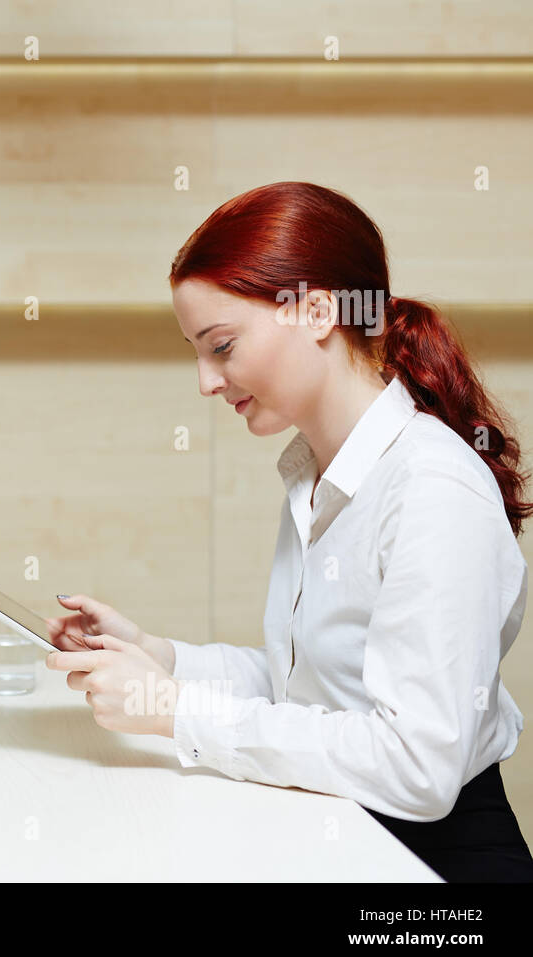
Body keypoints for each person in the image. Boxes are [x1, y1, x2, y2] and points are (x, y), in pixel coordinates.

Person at [43, 181, 533, 882]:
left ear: (317, 311)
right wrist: (159, 658)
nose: (206, 382)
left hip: (435, 870)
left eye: (221, 345)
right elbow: (309, 686)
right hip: (347, 834)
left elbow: (417, 767)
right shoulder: (315, 475)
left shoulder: (432, 488)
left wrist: (178, 713)